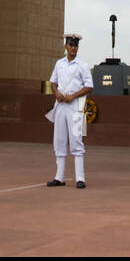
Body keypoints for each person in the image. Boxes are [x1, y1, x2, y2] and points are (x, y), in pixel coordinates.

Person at [46, 33, 93, 188]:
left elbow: (89, 86)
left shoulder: (83, 65)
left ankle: (80, 178)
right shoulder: (59, 63)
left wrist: (73, 96)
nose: (73, 48)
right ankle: (59, 177)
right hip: (60, 105)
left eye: (75, 46)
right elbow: (53, 82)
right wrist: (57, 93)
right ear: (65, 46)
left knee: (76, 140)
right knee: (59, 140)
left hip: (76, 106)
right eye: (71, 45)